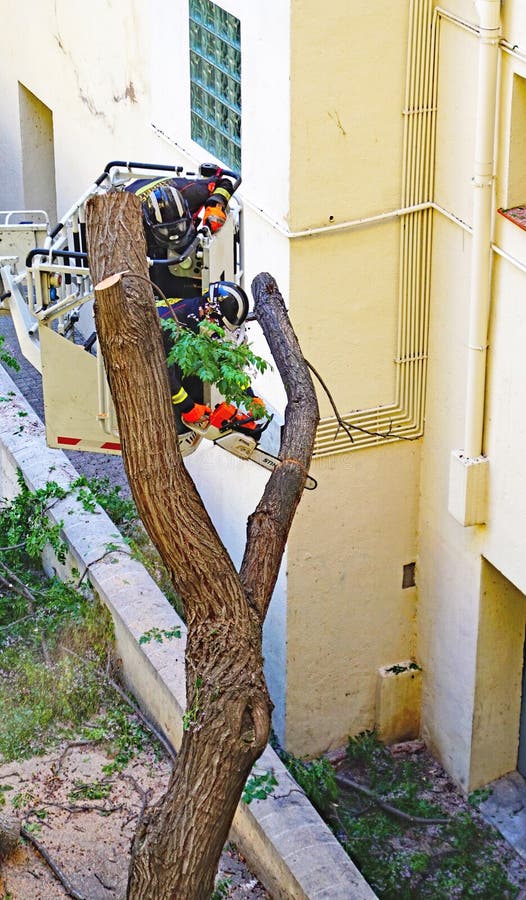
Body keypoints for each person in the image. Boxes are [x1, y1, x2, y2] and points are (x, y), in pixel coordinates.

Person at [156, 281, 267, 439]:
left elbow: (223, 359)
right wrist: (188, 407)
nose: (220, 332)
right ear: (208, 310)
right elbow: (163, 372)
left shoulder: (200, 317)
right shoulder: (171, 323)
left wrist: (250, 396)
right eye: (221, 326)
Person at [125, 166, 240, 297]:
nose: (173, 234)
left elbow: (224, 183)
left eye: (179, 226)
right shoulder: (131, 217)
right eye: (164, 230)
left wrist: (215, 206)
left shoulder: (192, 191)